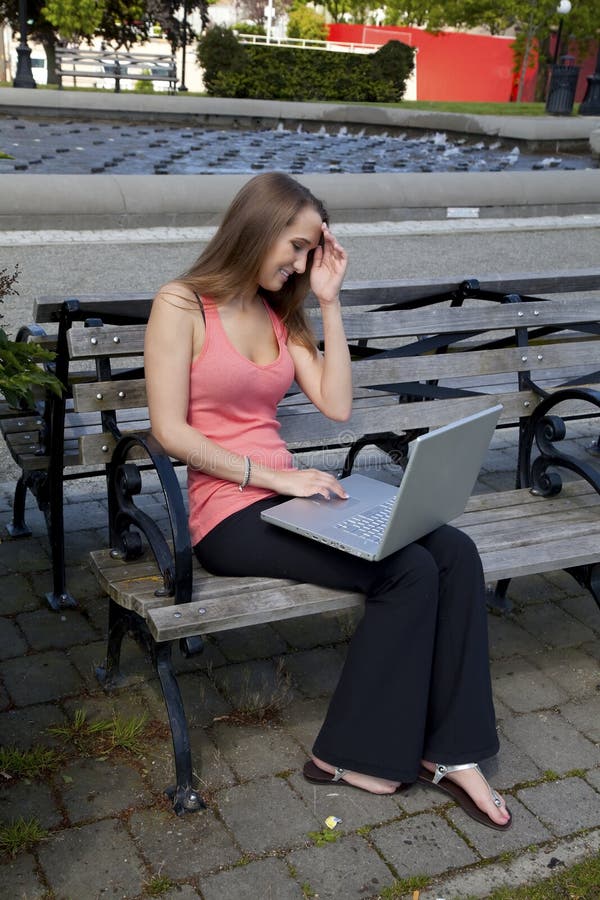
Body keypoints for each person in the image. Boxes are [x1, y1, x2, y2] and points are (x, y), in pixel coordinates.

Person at [144, 171, 512, 831]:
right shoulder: (179, 305)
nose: (298, 263)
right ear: (254, 226)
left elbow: (337, 405)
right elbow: (171, 433)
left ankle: (453, 751)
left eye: (311, 251)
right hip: (226, 514)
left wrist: (330, 302)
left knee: (453, 550)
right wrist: (276, 478)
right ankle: (344, 755)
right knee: (407, 570)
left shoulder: (280, 313)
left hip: (290, 496)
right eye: (295, 246)